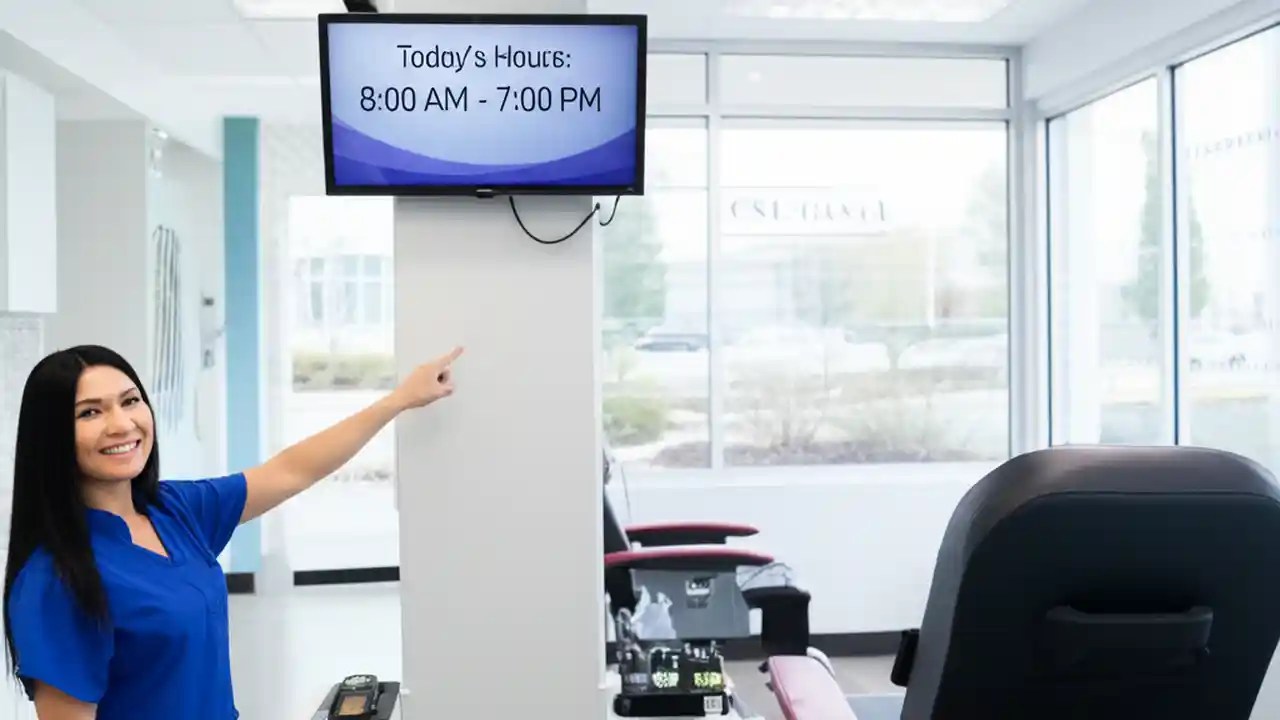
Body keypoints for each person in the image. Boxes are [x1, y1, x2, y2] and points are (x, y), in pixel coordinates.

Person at [2, 343, 463, 720]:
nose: (122, 424)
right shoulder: (55, 580)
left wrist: (398, 400)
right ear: (53, 437)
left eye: (130, 401)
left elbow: (290, 471)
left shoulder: (174, 510)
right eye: (89, 413)